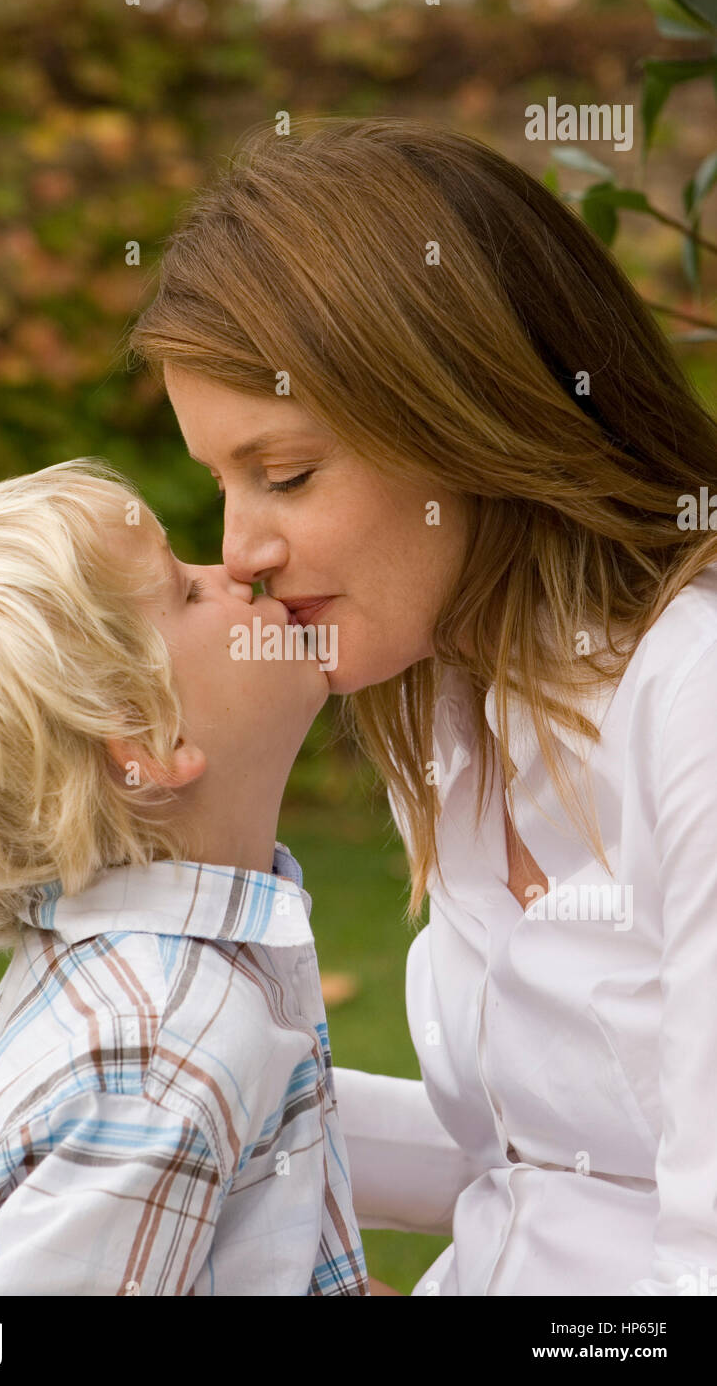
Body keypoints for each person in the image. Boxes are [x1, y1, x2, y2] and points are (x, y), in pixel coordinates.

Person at [130, 115, 717, 1295]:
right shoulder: (459, 706)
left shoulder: (687, 704)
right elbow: (529, 1150)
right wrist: (144, 1090)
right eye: (220, 482)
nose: (241, 549)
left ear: (461, 416)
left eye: (284, 473)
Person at [0, 458, 368, 1296]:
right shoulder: (166, 1043)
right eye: (188, 594)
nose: (233, 573)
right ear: (150, 742)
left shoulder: (135, 978)